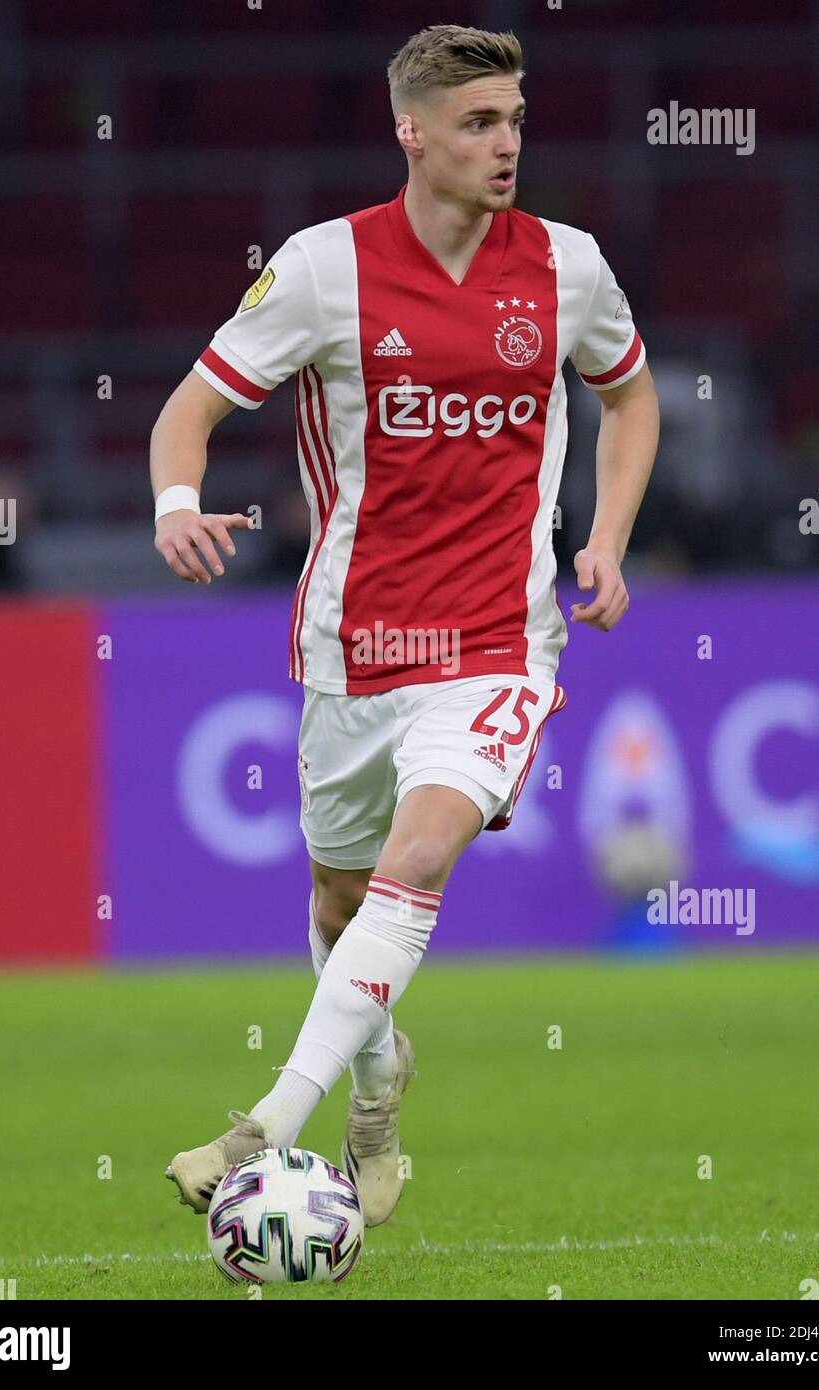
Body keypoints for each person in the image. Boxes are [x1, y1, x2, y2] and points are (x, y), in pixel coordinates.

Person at [149, 23, 659, 1228]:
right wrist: (176, 506)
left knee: (417, 857)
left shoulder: (567, 267)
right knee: (339, 911)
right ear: (411, 130)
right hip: (352, 646)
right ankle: (376, 1080)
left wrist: (605, 535)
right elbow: (187, 409)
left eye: (516, 120)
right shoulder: (323, 270)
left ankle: (260, 1127)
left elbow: (630, 395)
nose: (504, 144)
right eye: (479, 123)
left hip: (499, 639)